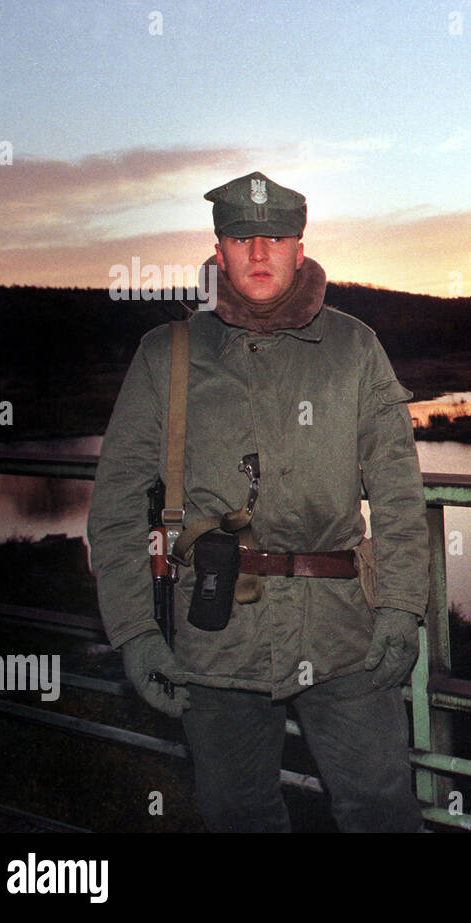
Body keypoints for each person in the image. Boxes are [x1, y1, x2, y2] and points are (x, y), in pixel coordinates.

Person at [88, 171, 428, 832]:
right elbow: (116, 503)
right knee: (238, 815)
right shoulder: (168, 356)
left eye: (277, 237)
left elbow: (397, 491)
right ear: (220, 251)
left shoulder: (353, 348)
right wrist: (134, 632)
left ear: (301, 248)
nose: (261, 253)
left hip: (344, 634)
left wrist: (402, 605)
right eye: (243, 238)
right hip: (218, 640)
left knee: (381, 811)